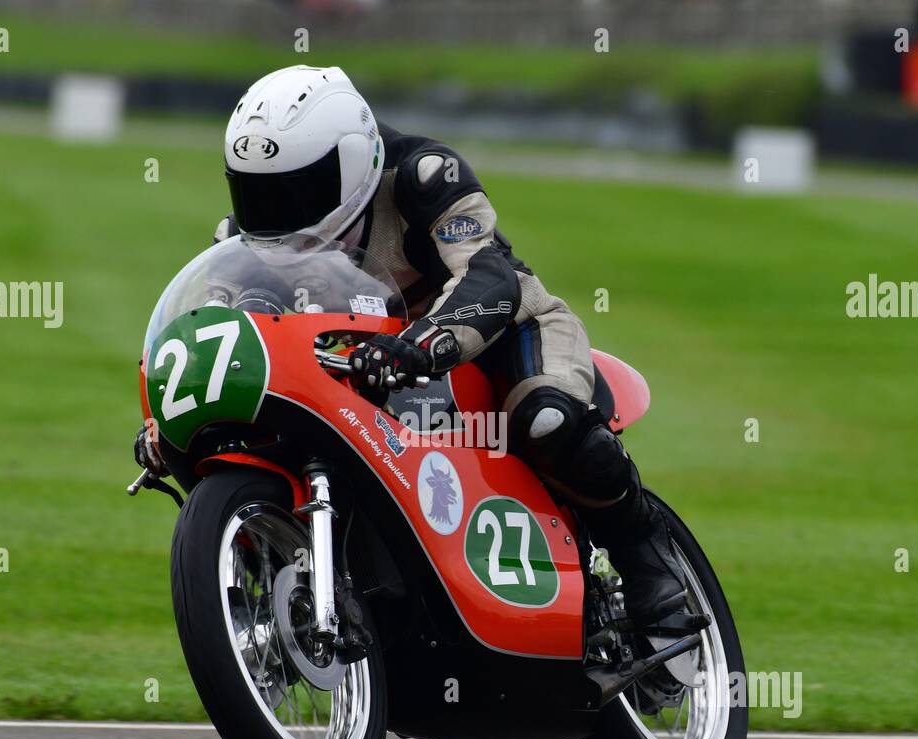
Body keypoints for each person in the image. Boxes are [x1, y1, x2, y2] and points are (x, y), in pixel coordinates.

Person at [136, 65, 701, 637]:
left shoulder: (425, 174)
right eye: (256, 192)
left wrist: (415, 348)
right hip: (361, 357)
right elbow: (224, 332)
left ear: (353, 161)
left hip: (500, 333)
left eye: (295, 188)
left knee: (548, 420)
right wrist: (168, 419)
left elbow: (488, 278)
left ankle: (645, 551)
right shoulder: (242, 237)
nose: (274, 211)